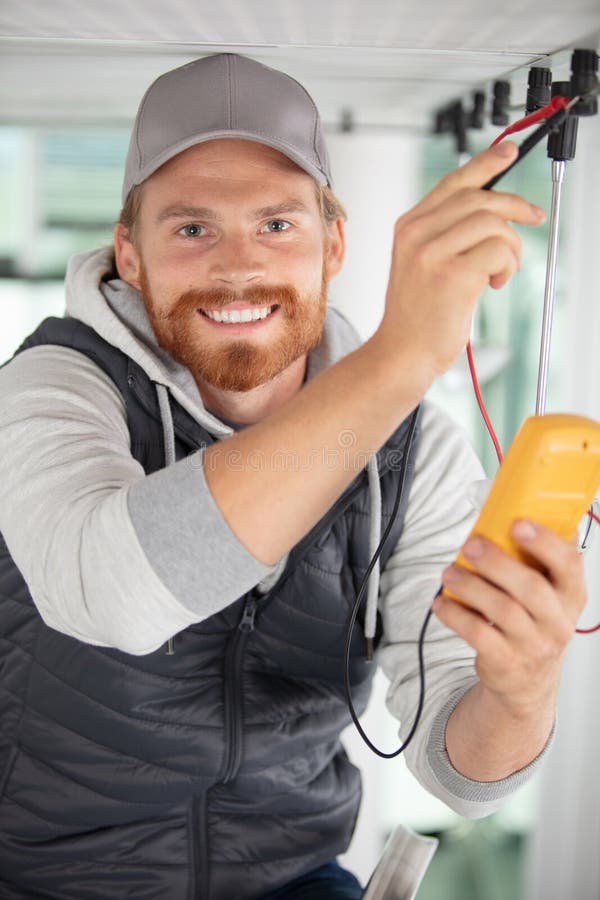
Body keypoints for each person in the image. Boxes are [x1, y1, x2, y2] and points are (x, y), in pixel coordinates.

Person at [0, 53, 587, 900]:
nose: (238, 267)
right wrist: (399, 359)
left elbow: (463, 777)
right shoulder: (48, 387)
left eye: (278, 224)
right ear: (129, 253)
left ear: (333, 243)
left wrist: (523, 693)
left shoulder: (416, 448)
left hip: (294, 878)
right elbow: (114, 594)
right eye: (192, 229)